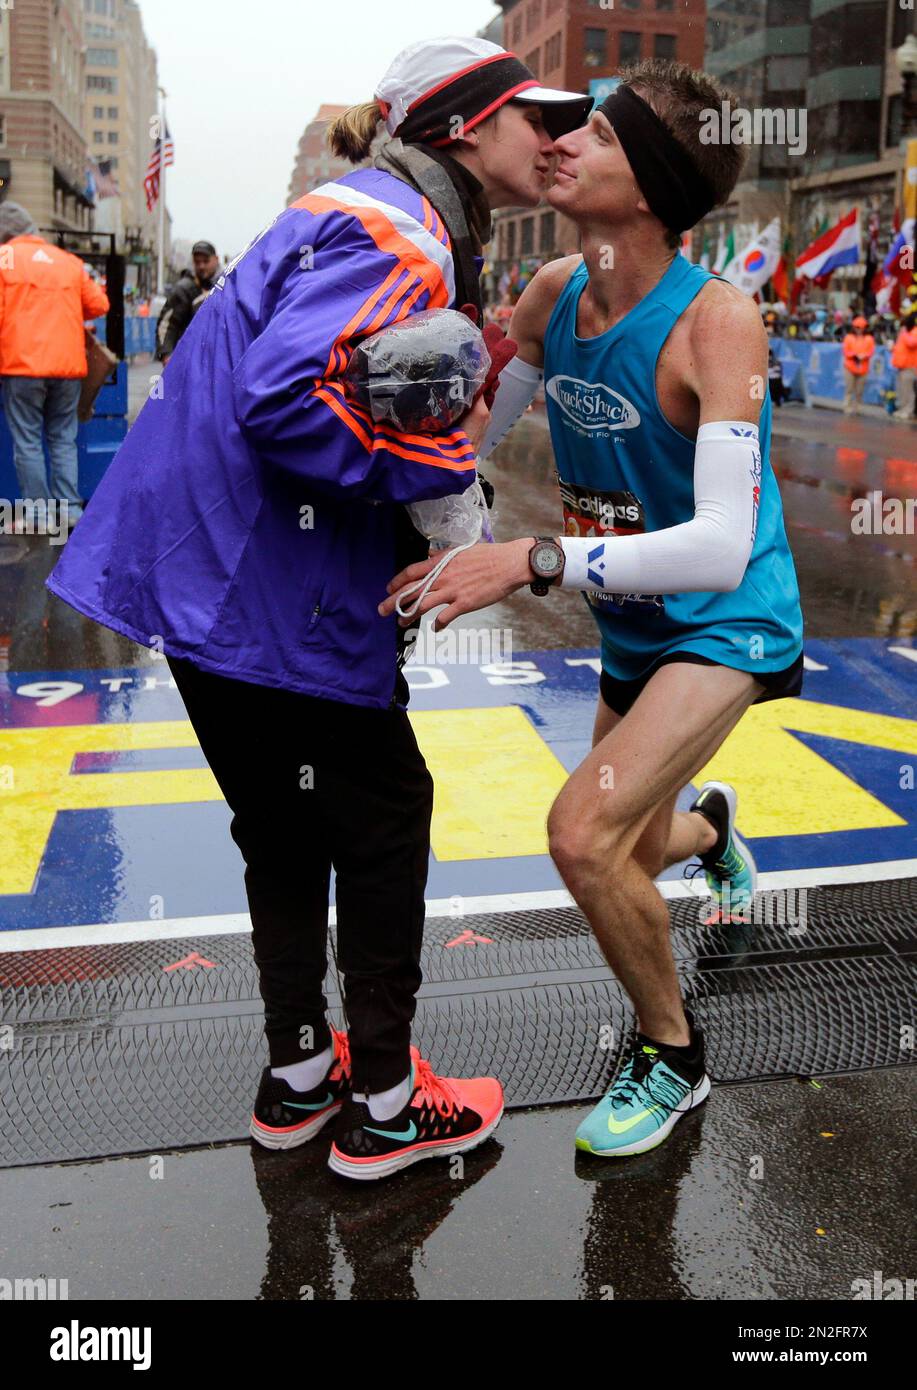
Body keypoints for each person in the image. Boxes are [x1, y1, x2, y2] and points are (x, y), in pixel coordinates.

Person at [47, 36, 592, 1181]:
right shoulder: (397, 224)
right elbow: (291, 398)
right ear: (460, 126)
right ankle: (388, 1104)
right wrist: (439, 494)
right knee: (386, 813)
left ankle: (298, 1075)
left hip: (201, 579)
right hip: (265, 593)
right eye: (528, 113)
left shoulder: (353, 206)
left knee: (283, 831)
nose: (550, 135)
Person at [382, 57, 804, 1159]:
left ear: (652, 189)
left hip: (724, 620)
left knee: (580, 833)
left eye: (602, 139)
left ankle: (672, 1055)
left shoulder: (718, 321)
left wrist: (528, 558)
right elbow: (457, 456)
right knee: (629, 835)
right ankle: (714, 830)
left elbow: (715, 547)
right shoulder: (546, 297)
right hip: (631, 620)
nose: (564, 144)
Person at [0, 202, 110, 530]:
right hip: (67, 367)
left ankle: (38, 515)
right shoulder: (68, 262)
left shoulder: (4, 260)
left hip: (22, 366)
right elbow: (99, 304)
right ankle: (70, 512)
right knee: (63, 438)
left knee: (28, 442)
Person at [155, 240, 222, 365]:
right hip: (188, 362)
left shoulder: (225, 287)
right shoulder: (183, 290)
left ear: (216, 259)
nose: (201, 266)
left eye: (205, 261)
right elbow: (167, 324)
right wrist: (166, 354)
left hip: (216, 363)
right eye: (197, 262)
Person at [891, 311, 917, 421]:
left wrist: (904, 333)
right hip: (902, 365)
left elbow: (912, 343)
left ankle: (908, 411)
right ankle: (903, 409)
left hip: (910, 365)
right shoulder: (907, 331)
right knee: (902, 389)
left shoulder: (913, 331)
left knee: (909, 390)